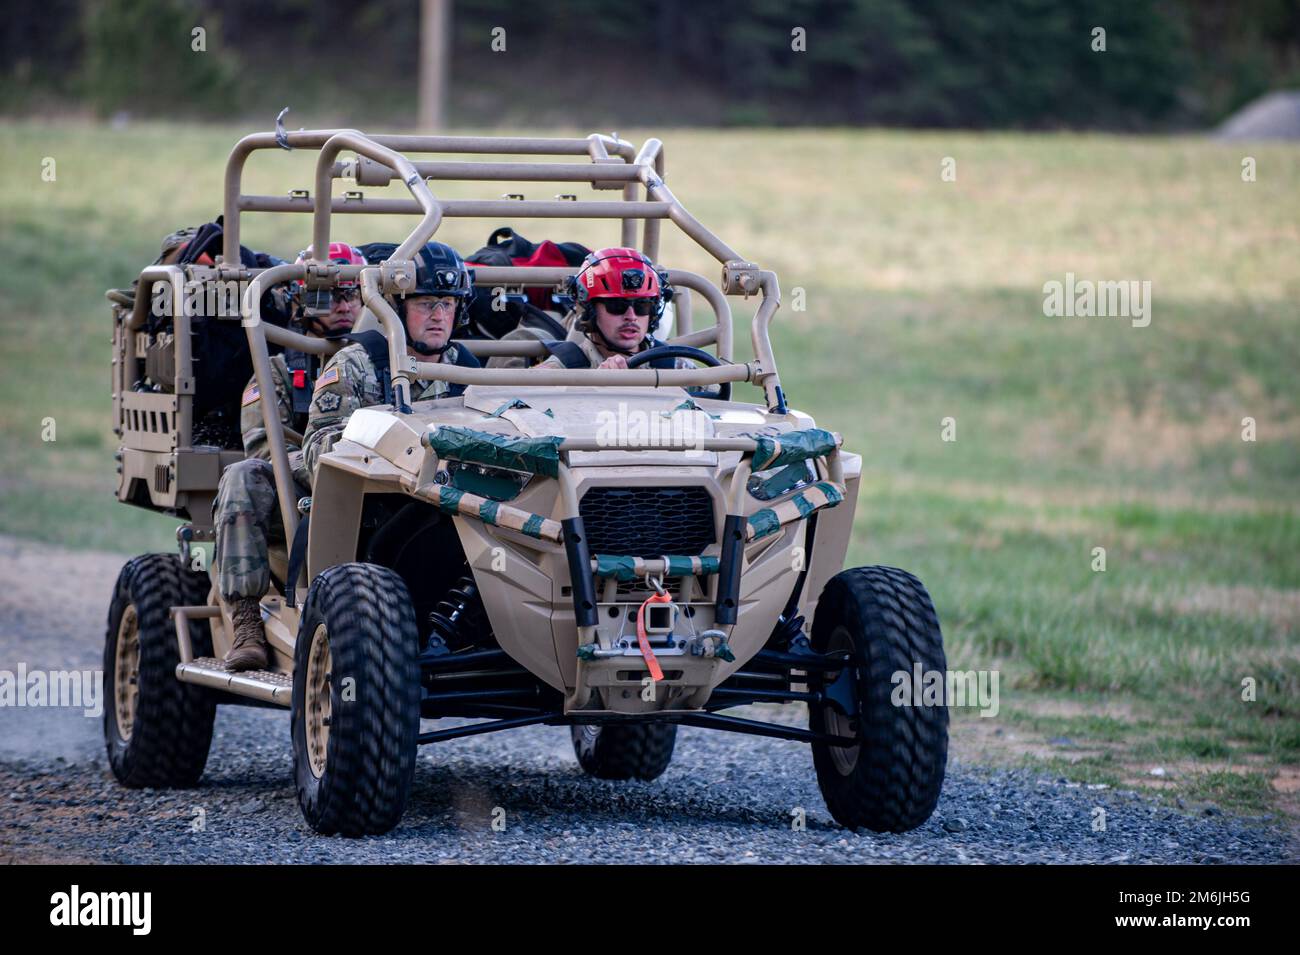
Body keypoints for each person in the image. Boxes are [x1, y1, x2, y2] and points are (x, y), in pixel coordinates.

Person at [212, 242, 366, 671]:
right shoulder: (277, 370)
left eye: (353, 294)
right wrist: (330, 463)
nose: (343, 306)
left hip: (381, 482)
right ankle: (245, 621)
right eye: (326, 296)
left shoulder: (380, 359)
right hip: (298, 487)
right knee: (243, 476)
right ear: (299, 301)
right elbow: (262, 446)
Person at [301, 240, 482, 478]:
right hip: (376, 499)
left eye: (447, 304)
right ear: (397, 309)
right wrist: (390, 442)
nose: (439, 316)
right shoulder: (353, 365)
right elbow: (317, 455)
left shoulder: (466, 367)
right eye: (426, 304)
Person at [535, 247, 680, 370]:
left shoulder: (674, 367)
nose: (631, 316)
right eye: (616, 305)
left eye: (642, 305)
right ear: (589, 311)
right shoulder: (559, 371)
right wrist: (594, 387)